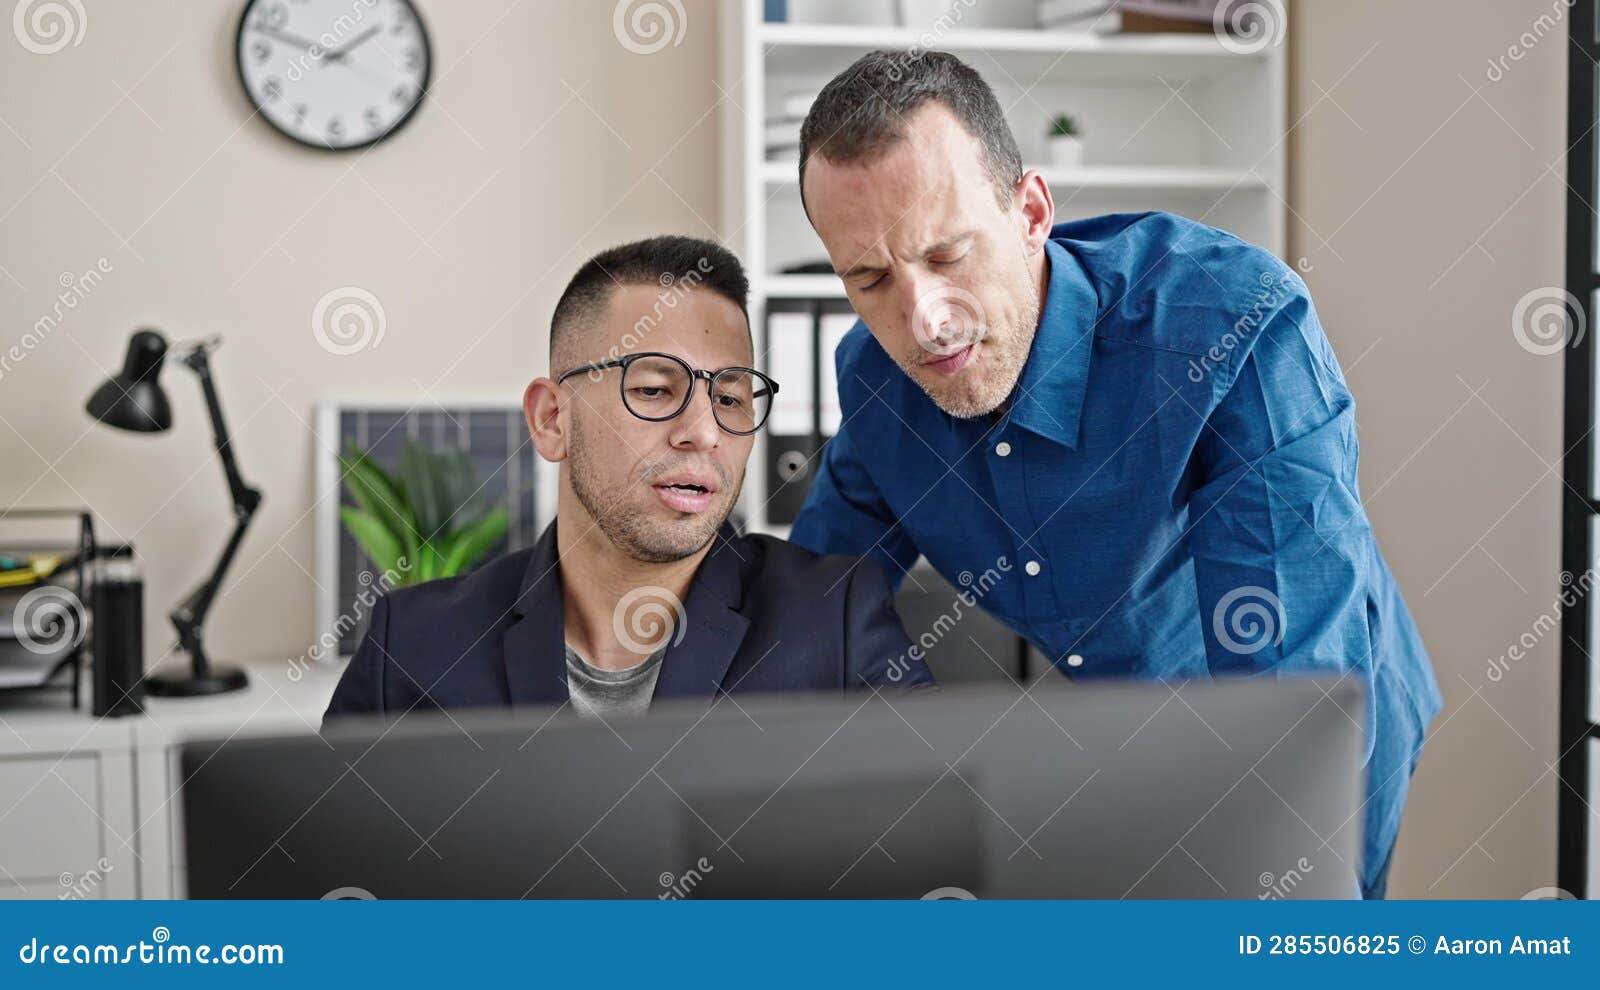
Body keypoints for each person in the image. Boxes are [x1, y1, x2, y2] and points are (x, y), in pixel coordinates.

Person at [787, 49, 1441, 899]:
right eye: (870, 279)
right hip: (1123, 733)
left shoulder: (1230, 322)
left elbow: (1288, 691)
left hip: (1310, 716)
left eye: (947, 255)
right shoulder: (877, 378)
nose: (925, 322)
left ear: (1030, 212)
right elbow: (816, 611)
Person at [324, 235, 932, 727]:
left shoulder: (836, 619)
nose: (704, 432)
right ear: (552, 419)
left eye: (730, 398)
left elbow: (943, 827)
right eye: (653, 389)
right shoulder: (414, 645)